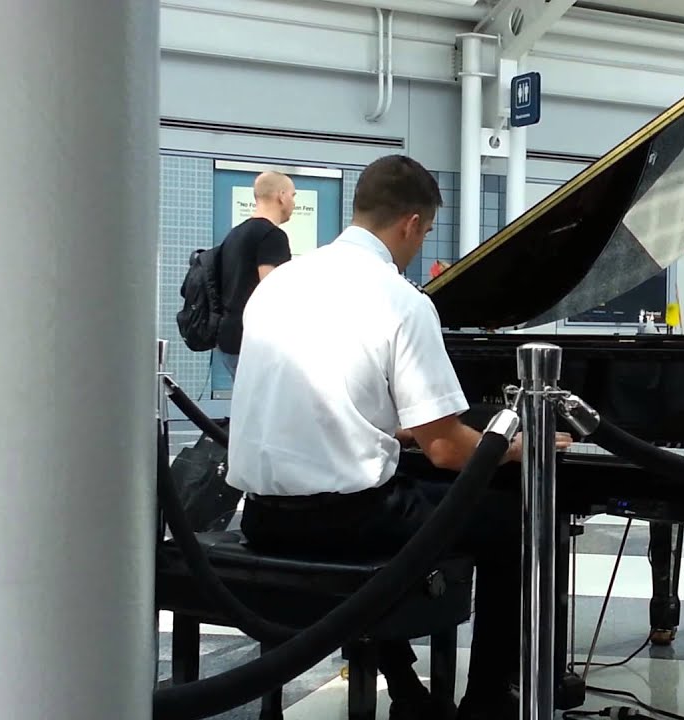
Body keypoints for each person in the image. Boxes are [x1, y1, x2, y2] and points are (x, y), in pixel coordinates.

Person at [225, 154, 570, 719]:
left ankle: (407, 687)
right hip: (346, 524)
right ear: (412, 222)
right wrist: (518, 449)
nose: (421, 244)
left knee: (401, 481)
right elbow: (447, 448)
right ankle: (487, 701)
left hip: (262, 515)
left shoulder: (279, 284)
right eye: (427, 232)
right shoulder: (402, 300)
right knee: (517, 520)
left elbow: (323, 406)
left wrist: (395, 432)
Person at [215, 171, 296, 380]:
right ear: (281, 195)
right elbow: (272, 293)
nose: (294, 203)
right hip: (255, 343)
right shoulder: (273, 236)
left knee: (247, 407)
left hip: (229, 340)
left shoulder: (234, 234)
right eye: (293, 196)